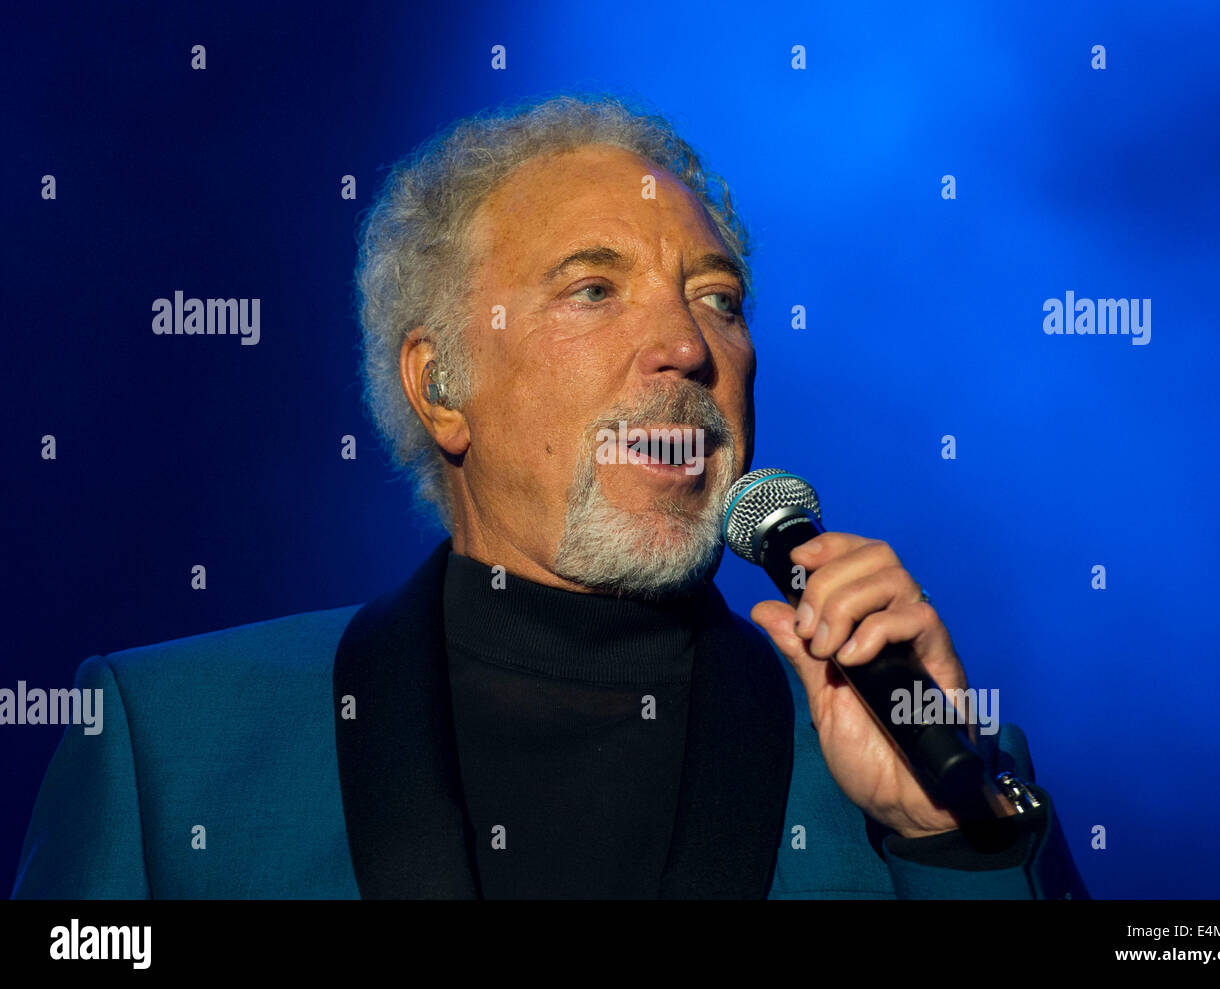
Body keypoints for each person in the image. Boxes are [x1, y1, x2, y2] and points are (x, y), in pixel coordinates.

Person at [12, 93, 1088, 899]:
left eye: (718, 299)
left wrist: (951, 841)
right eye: (593, 288)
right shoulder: (170, 741)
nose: (686, 345)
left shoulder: (930, 761)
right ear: (441, 385)